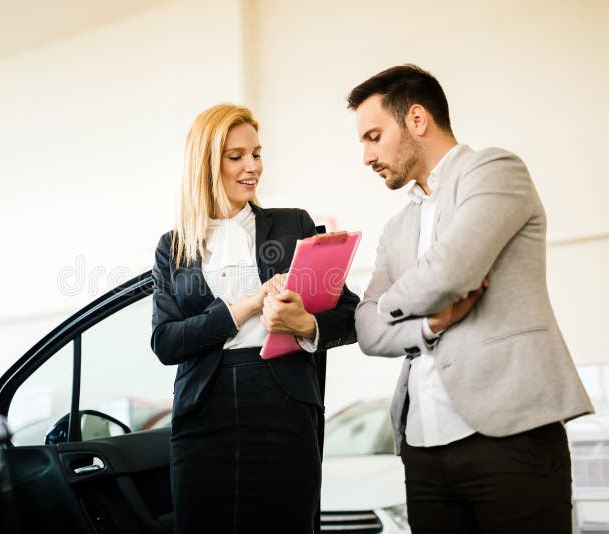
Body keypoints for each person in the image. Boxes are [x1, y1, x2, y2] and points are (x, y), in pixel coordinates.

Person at [348, 64, 593, 534]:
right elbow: (366, 333)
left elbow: (450, 274)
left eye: (374, 137)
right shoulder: (396, 228)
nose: (366, 156)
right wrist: (428, 325)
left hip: (511, 433)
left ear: (416, 119)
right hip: (422, 445)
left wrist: (384, 306)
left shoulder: (496, 170)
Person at [151, 103, 359, 534]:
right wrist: (247, 305)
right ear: (207, 164)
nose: (253, 167)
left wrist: (305, 325)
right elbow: (166, 343)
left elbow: (350, 314)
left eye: (257, 154)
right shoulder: (173, 247)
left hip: (283, 406)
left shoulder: (294, 226)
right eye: (237, 156)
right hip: (202, 415)